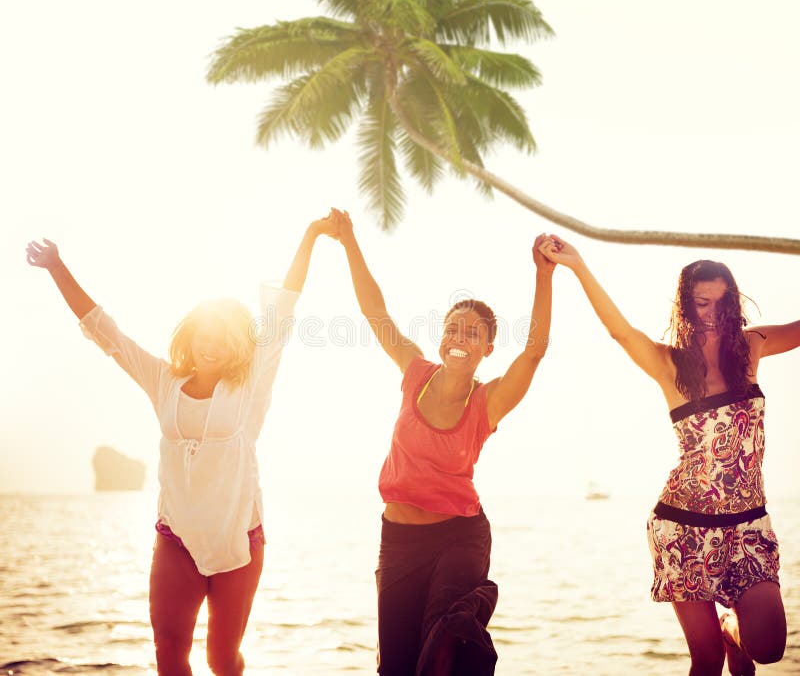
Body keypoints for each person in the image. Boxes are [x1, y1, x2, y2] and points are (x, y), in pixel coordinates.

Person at [26, 214, 336, 676]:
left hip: (239, 541)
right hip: (177, 541)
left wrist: (309, 236)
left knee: (221, 659)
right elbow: (104, 330)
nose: (211, 346)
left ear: (238, 345)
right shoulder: (162, 381)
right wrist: (56, 267)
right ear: (190, 337)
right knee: (169, 654)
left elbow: (282, 308)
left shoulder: (251, 384)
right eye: (204, 336)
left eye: (223, 339)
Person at [538, 235, 798, 676]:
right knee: (706, 661)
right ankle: (721, 643)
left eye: (722, 302)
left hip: (748, 525)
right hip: (683, 528)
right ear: (686, 306)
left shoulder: (752, 348)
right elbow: (620, 330)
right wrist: (577, 265)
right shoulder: (669, 366)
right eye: (702, 303)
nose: (714, 314)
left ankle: (732, 629)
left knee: (769, 648)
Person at [329, 209, 555, 675]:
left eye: (473, 333)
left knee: (441, 645)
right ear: (441, 337)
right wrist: (349, 241)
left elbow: (533, 351)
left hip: (459, 536)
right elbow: (375, 311)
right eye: (452, 328)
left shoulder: (487, 402)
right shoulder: (415, 374)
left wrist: (543, 275)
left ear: (487, 349)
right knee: (394, 667)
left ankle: (471, 610)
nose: (459, 338)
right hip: (399, 540)